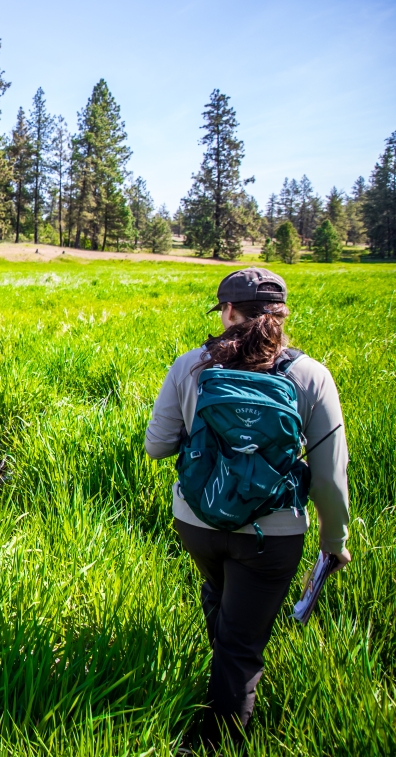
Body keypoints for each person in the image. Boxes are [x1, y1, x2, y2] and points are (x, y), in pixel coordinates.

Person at [145, 267, 350, 747]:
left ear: (229, 311)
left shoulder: (190, 366)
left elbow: (157, 447)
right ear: (281, 315)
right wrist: (334, 541)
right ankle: (219, 743)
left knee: (219, 593)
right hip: (271, 536)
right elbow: (329, 478)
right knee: (241, 647)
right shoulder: (310, 375)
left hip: (197, 521)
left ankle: (218, 682)